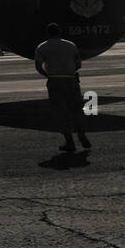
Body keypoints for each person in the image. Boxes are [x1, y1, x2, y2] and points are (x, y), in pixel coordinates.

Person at [34, 23, 91, 153]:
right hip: (71, 79)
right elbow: (78, 64)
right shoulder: (70, 45)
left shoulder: (42, 47)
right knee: (76, 109)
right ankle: (82, 136)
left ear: (47, 33)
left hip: (55, 80)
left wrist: (47, 75)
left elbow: (38, 66)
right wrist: (70, 71)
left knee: (61, 112)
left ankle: (70, 142)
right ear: (59, 32)